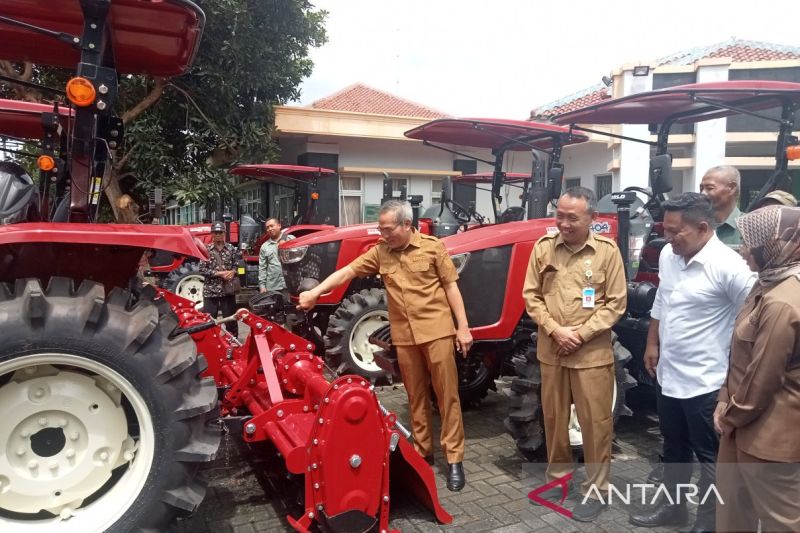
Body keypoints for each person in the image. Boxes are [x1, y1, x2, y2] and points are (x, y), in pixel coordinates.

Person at [297, 200, 472, 491]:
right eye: (380, 228)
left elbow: (451, 286)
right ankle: (422, 451)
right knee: (415, 397)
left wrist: (462, 327)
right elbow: (347, 272)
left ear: (406, 225)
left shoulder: (432, 248)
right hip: (404, 336)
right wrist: (315, 292)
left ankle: (454, 458)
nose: (383, 234)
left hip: (437, 331)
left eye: (388, 229)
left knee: (446, 396)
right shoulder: (381, 252)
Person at [629, 193, 755, 532]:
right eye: (665, 230)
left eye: (675, 232)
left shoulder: (730, 267)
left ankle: (710, 521)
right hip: (670, 375)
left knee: (711, 458)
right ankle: (673, 510)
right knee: (674, 450)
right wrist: (652, 342)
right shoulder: (671, 254)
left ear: (702, 227)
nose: (667, 239)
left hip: (708, 381)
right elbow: (663, 301)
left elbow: (754, 320)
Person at [522, 186, 627, 522]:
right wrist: (555, 330)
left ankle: (597, 490)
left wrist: (579, 334)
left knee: (595, 424)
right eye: (560, 215)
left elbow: (616, 303)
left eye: (572, 218)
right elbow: (531, 296)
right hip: (552, 351)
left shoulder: (607, 252)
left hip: (591, 355)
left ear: (591, 219)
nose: (564, 223)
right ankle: (558, 480)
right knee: (553, 422)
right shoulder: (543, 248)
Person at [714, 206, 800, 532]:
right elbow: (739, 354)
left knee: (781, 522)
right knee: (734, 513)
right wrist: (724, 398)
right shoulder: (766, 283)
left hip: (770, 438)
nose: (742, 250)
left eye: (750, 243)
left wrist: (728, 416)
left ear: (774, 245)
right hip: (740, 424)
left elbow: (763, 377)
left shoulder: (783, 300)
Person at [199, 221, 241, 338]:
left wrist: (232, 272)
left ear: (224, 233)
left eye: (220, 232)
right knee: (209, 320)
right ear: (212, 234)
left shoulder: (231, 249)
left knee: (231, 319)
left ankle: (233, 342)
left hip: (227, 291)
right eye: (216, 232)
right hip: (210, 291)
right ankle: (209, 343)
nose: (218, 235)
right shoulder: (206, 249)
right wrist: (219, 273)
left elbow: (238, 265)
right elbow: (202, 270)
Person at [699, 165, 743, 248]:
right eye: (701, 188)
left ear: (731, 188)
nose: (703, 193)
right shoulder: (695, 226)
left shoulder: (749, 227)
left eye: (709, 188)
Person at [258, 217, 294, 296]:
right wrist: (262, 286)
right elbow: (262, 268)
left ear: (279, 226)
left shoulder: (291, 239)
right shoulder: (264, 247)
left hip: (290, 284)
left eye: (272, 226)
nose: (270, 229)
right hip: (273, 286)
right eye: (267, 228)